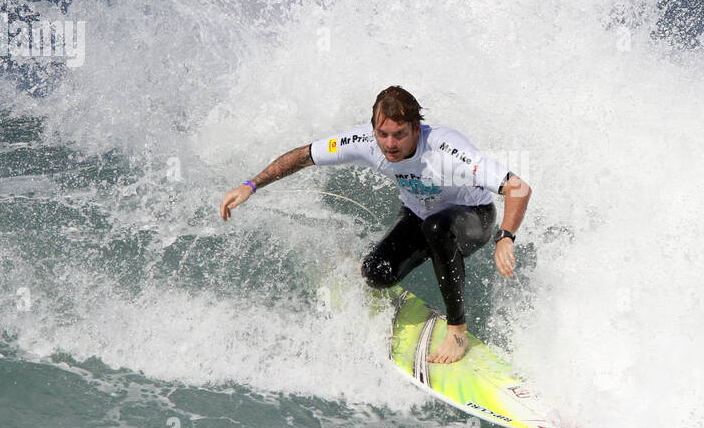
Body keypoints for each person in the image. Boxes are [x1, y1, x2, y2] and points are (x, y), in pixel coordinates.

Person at [219, 86, 531, 364]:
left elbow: (517, 187)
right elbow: (304, 156)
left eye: (400, 134)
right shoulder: (365, 142)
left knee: (437, 228)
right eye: (383, 134)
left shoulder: (445, 150)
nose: (390, 144)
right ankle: (363, 266)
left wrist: (505, 237)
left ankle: (457, 332)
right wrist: (251, 185)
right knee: (376, 275)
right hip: (420, 216)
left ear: (417, 129)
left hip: (472, 216)